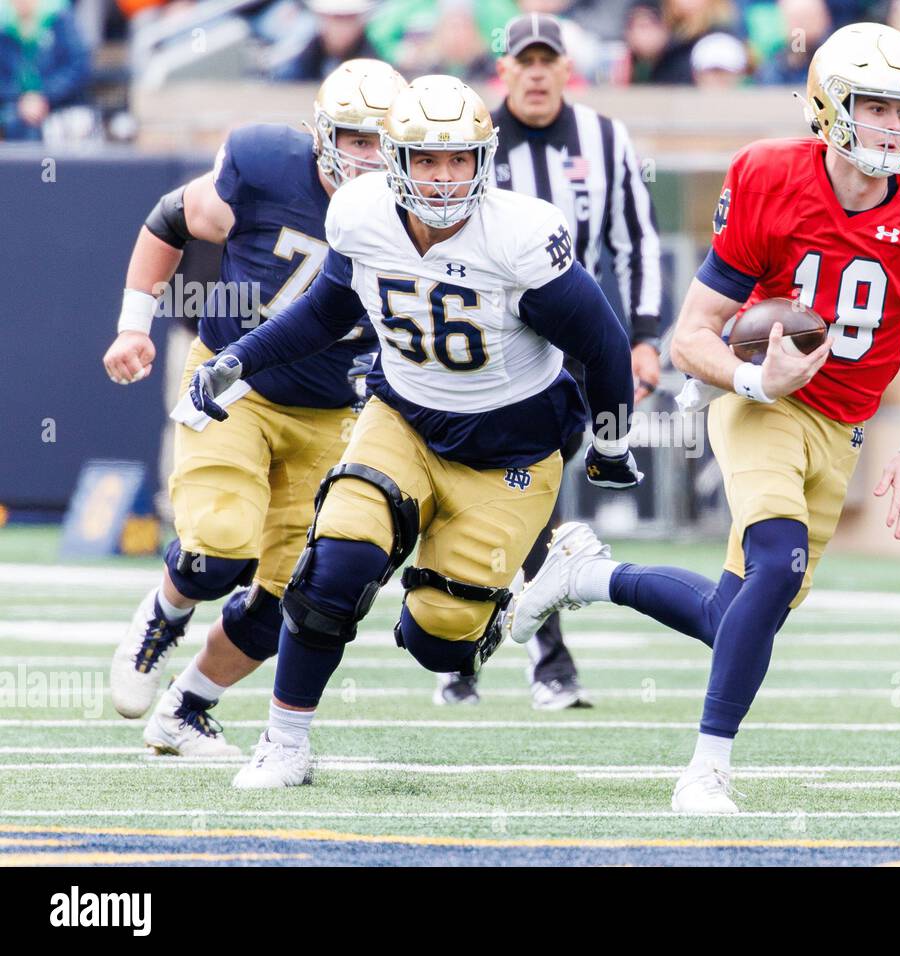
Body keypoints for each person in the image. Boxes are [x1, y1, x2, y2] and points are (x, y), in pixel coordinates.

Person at [506, 22, 900, 813]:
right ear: (832, 107)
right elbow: (690, 335)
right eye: (873, 107)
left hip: (843, 431)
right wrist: (754, 380)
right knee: (777, 563)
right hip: (764, 407)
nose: (892, 127)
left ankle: (585, 574)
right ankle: (706, 770)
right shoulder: (774, 179)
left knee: (734, 616)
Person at [186, 75, 640, 789]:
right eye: (426, 160)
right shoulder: (362, 213)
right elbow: (326, 310)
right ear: (395, 160)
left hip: (510, 452)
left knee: (439, 642)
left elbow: (605, 345)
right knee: (332, 563)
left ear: (482, 160)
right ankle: (284, 742)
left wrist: (611, 444)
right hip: (404, 419)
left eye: (458, 159)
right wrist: (241, 358)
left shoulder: (521, 235)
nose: (443, 176)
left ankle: (515, 597)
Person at [103, 59, 405, 756]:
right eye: (357, 140)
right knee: (220, 551)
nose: (372, 156)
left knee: (300, 597)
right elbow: (171, 216)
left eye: (383, 141)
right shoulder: (268, 164)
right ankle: (161, 615)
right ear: (325, 137)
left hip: (334, 411)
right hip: (233, 384)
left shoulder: (420, 205)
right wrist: (132, 325)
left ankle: (186, 709)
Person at [433, 12, 662, 710]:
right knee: (469, 495)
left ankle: (534, 658)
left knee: (536, 495)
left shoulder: (604, 138)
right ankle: (468, 646)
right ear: (501, 70)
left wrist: (644, 336)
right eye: (522, 60)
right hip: (479, 347)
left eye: (547, 59)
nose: (535, 72)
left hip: (567, 349)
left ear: (567, 68)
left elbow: (637, 243)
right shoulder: (469, 142)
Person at [0, 0, 90, 142]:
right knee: (14, 121)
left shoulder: (60, 19)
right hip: (14, 107)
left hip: (60, 105)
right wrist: (21, 99)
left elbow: (77, 67)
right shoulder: (3, 25)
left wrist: (44, 96)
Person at [271, 0, 383, 83]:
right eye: (336, 18)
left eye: (348, 18)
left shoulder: (377, 70)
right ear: (322, 19)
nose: (341, 27)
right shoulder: (299, 66)